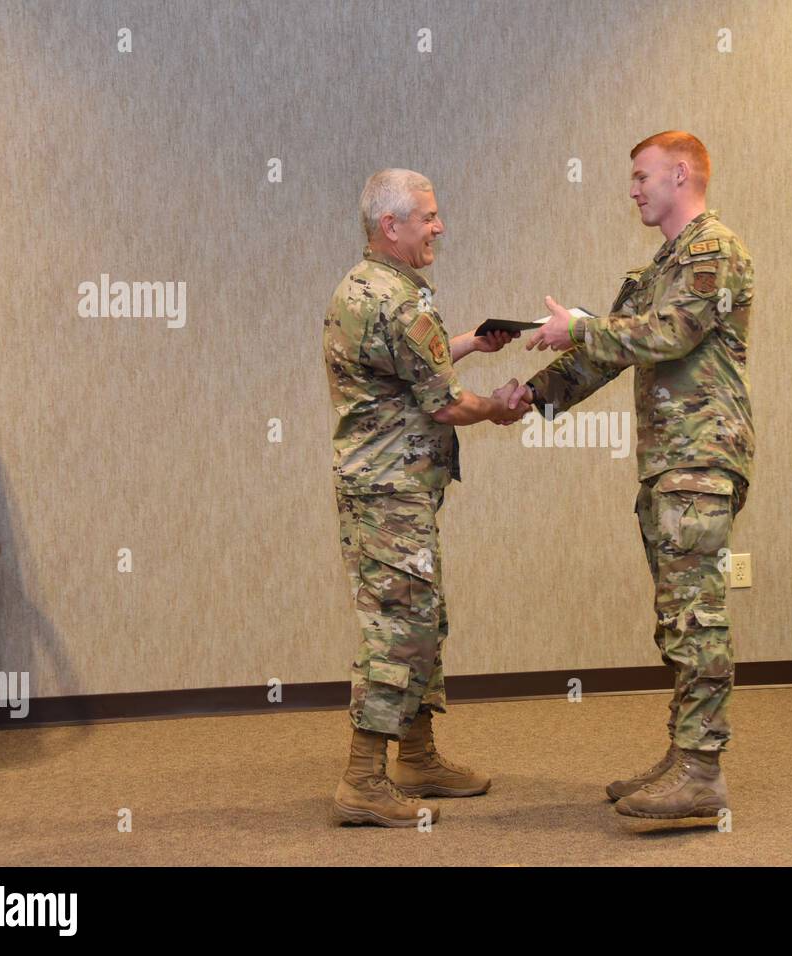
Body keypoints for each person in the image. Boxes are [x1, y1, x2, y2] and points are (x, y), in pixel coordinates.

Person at [510, 131, 754, 819]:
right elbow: (611, 350)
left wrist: (583, 326)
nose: (633, 188)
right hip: (670, 462)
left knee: (697, 615)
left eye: (643, 176)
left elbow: (668, 334)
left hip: (702, 456)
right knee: (677, 615)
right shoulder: (660, 267)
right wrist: (531, 396)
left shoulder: (714, 250)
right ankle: (684, 755)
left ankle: (703, 772)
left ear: (682, 174)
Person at [324, 168, 529, 827]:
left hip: (381, 489)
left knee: (421, 621)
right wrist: (497, 409)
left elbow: (413, 369)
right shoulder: (402, 300)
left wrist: (470, 340)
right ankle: (362, 780)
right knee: (398, 630)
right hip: (391, 494)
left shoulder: (363, 288)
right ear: (392, 226)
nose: (439, 226)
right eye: (428, 217)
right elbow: (443, 402)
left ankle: (418, 757)